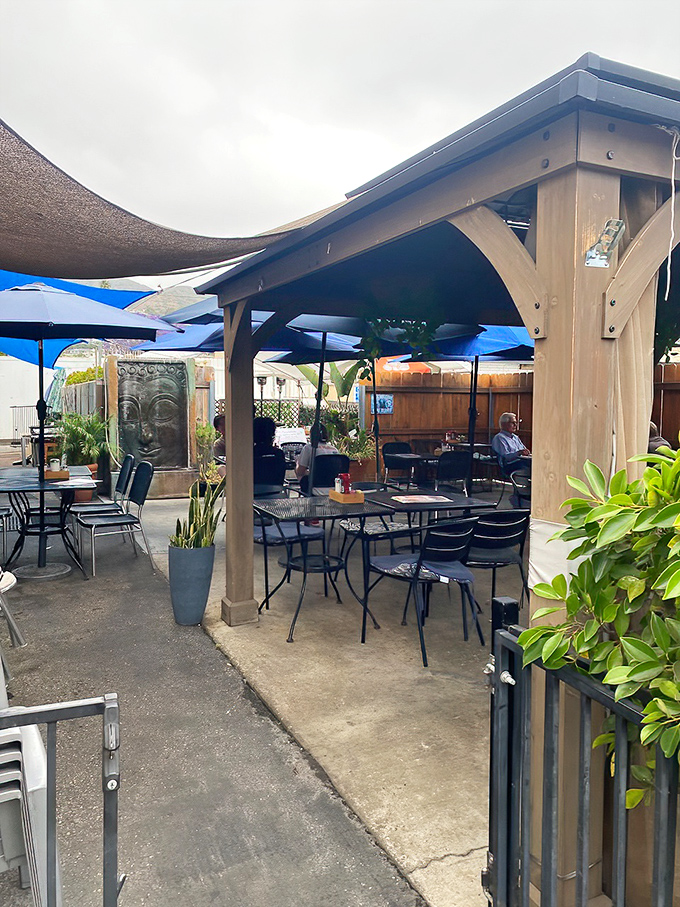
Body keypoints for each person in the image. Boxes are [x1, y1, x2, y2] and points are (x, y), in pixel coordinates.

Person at [253, 416, 286, 487]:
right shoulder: (278, 454)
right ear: (272, 434)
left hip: (252, 492)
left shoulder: (250, 453)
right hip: (275, 492)